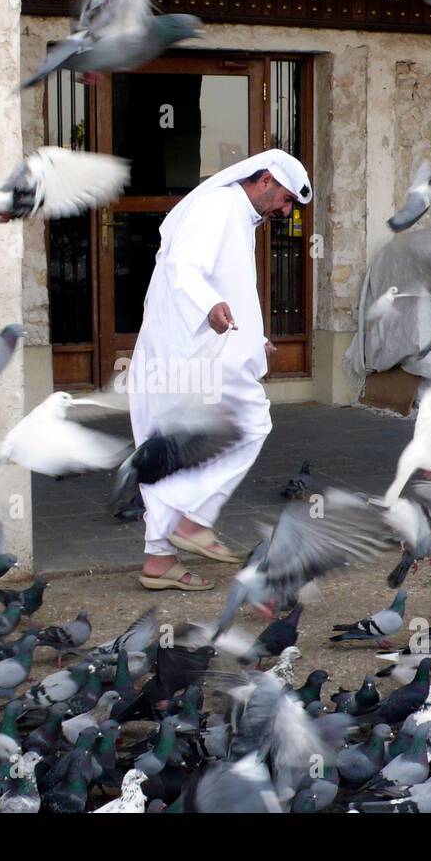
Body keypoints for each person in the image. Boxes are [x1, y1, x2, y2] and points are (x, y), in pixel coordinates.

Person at [127, 149, 312, 591]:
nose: (285, 212)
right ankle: (192, 521)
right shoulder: (218, 206)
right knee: (249, 421)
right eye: (285, 199)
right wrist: (209, 306)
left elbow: (231, 289)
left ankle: (159, 561)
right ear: (265, 180)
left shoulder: (239, 216)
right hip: (183, 355)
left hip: (193, 352)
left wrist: (252, 336)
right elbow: (184, 268)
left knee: (165, 453)